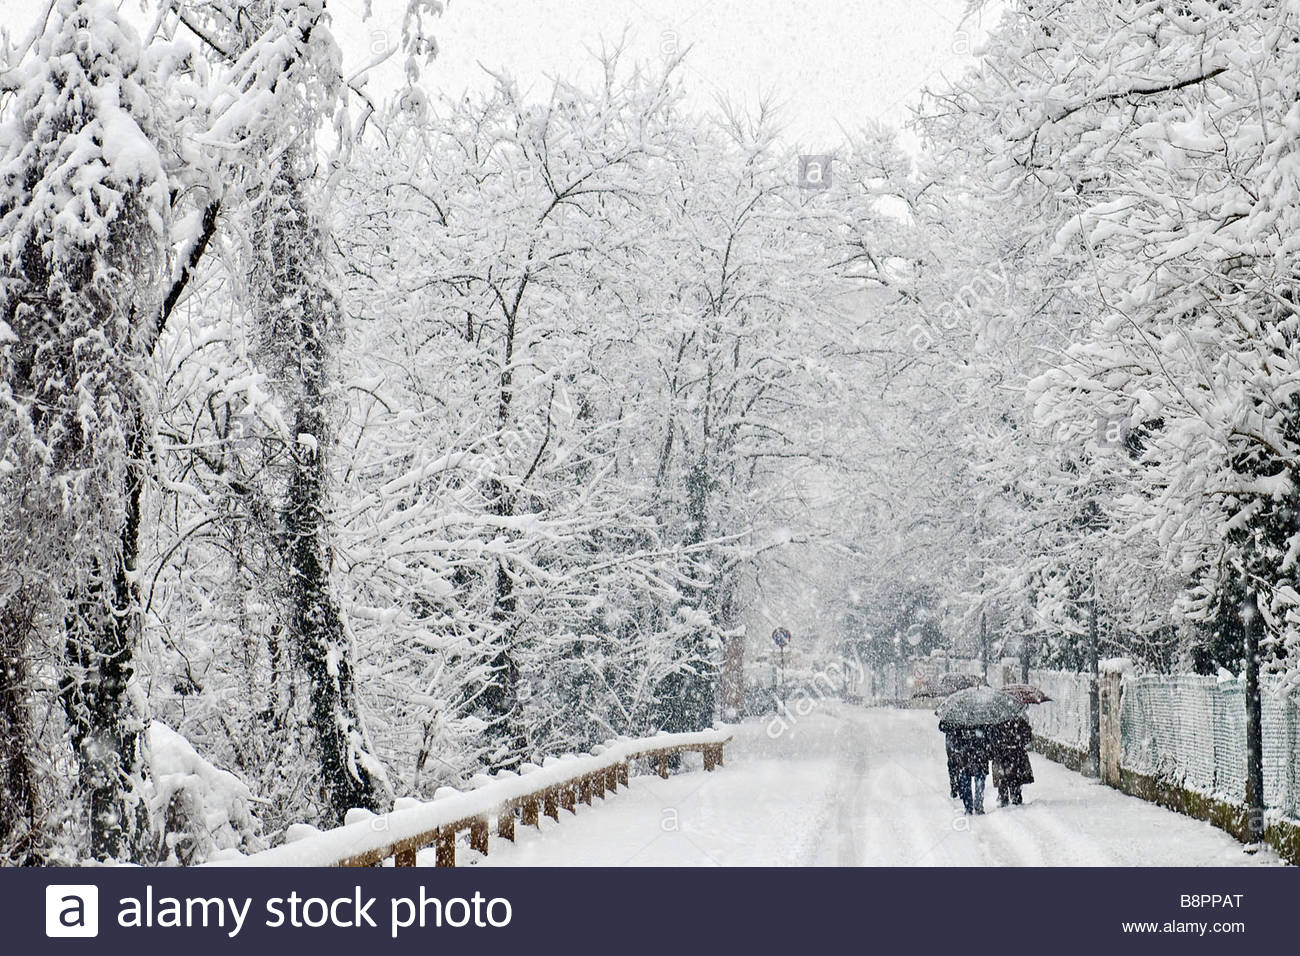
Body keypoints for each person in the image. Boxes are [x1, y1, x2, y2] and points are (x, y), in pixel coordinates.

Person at [938, 719, 991, 814]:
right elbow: (949, 732)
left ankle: (974, 806)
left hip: (974, 755)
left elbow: (989, 736)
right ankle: (971, 806)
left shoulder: (962, 717)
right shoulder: (962, 719)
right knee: (970, 782)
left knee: (975, 781)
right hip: (969, 756)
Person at [990, 715, 1034, 807]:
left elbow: (993, 738)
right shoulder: (1018, 722)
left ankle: (1006, 798)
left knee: (1005, 776)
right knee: (1014, 776)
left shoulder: (998, 721)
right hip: (1013, 753)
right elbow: (1027, 737)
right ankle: (1014, 797)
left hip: (1006, 754)